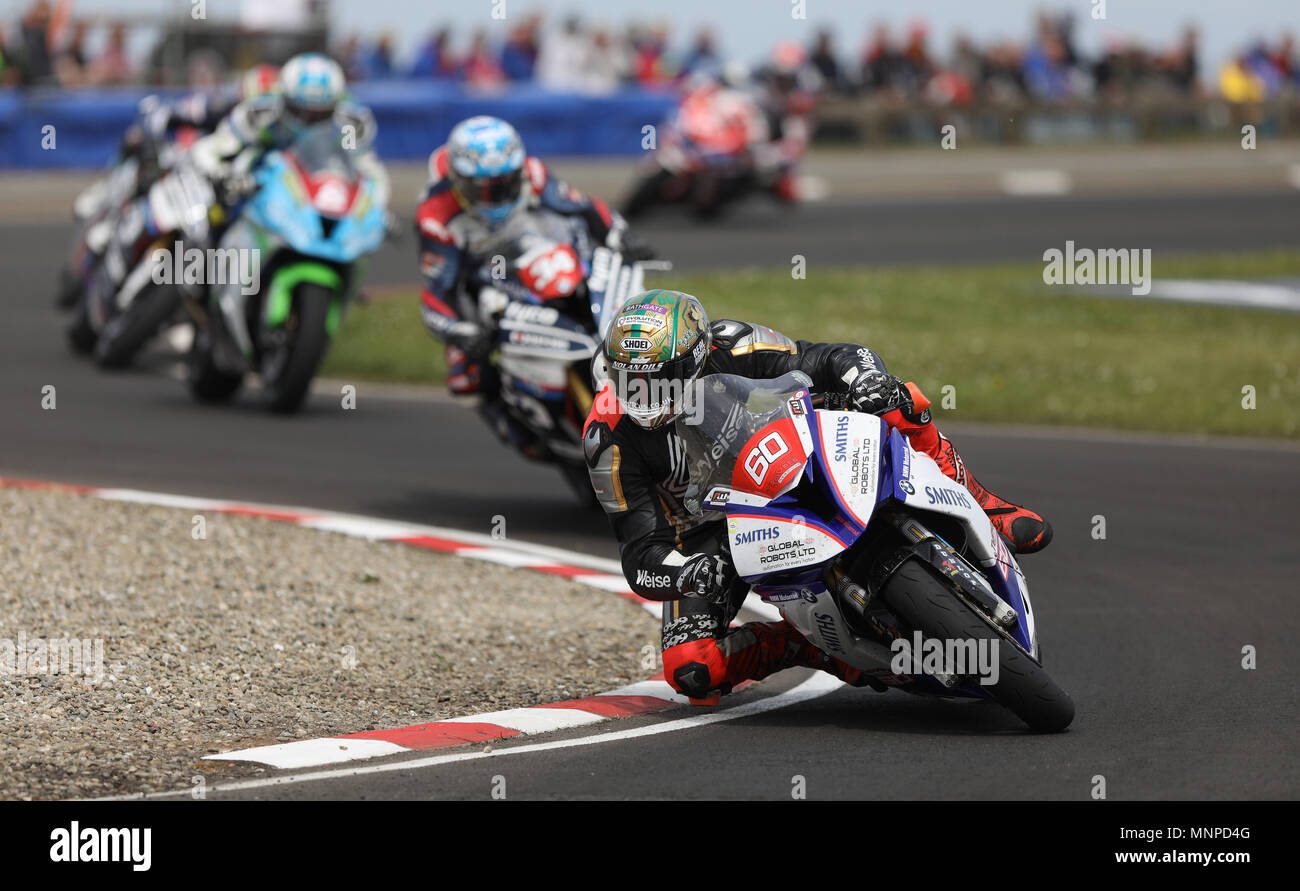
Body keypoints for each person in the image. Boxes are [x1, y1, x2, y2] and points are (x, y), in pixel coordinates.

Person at [581, 289, 1052, 701]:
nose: (643, 395)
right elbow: (640, 550)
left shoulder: (735, 343)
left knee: (905, 400)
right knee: (691, 666)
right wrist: (688, 571)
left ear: (698, 355)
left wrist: (865, 381)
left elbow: (831, 357)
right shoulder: (606, 439)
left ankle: (985, 505)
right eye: (629, 381)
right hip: (712, 530)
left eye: (658, 378)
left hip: (792, 451)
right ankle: (808, 644)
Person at [414, 115, 646, 453]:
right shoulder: (436, 217)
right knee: (466, 380)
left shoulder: (534, 175)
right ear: (457, 181)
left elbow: (582, 207)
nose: (492, 196)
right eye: (479, 188)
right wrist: (460, 332)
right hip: (482, 283)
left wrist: (620, 235)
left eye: (504, 183)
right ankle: (524, 434)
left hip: (543, 258)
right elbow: (437, 290)